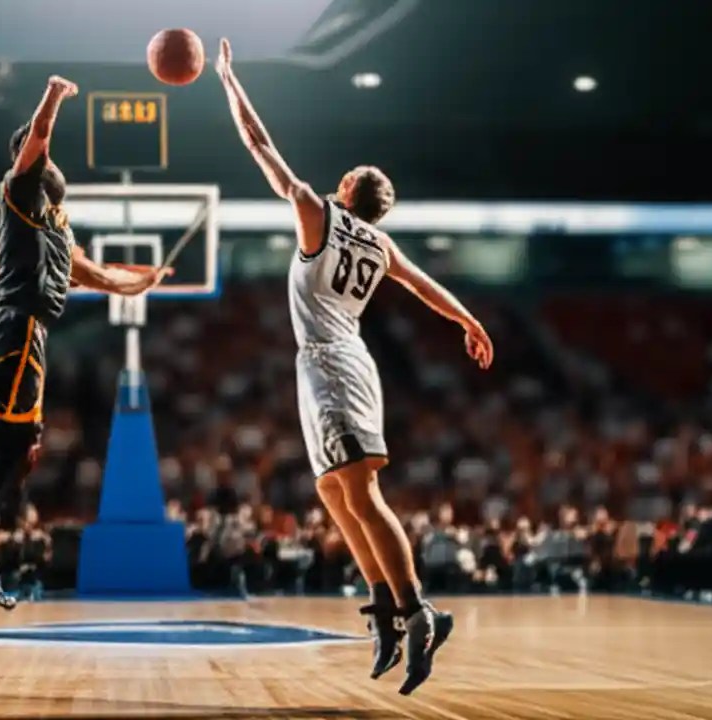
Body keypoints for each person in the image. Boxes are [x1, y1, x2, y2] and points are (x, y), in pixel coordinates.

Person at [215, 39, 494, 695]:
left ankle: (418, 609)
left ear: (347, 189)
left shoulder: (317, 214)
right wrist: (468, 320)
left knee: (361, 493)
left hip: (333, 364)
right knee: (333, 492)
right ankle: (385, 609)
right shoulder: (381, 242)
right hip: (335, 364)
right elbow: (426, 287)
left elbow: (260, 144)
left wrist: (229, 79)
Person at [0, 74, 170, 621]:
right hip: (15, 326)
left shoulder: (55, 226)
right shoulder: (20, 190)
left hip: (22, 331)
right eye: (43, 150)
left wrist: (135, 283)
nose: (51, 156)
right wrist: (53, 94)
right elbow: (38, 140)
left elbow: (90, 273)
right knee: (10, 445)